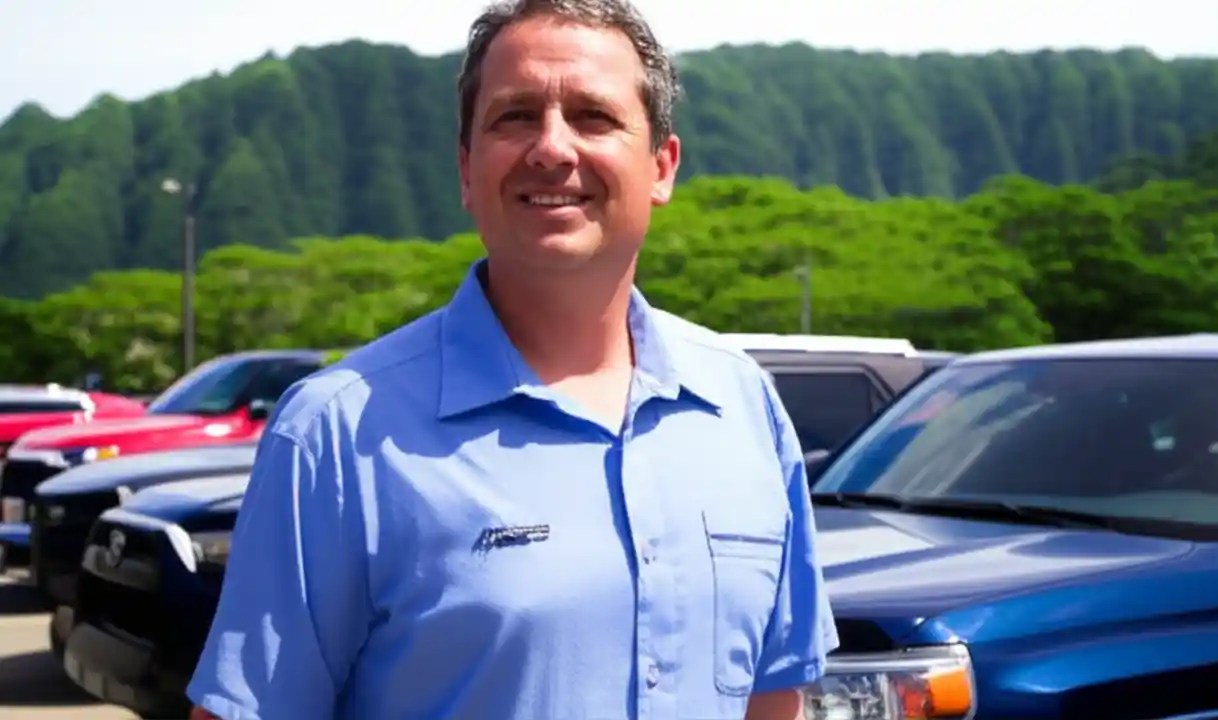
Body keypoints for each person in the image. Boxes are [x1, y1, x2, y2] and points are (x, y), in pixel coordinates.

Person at [186, 0, 838, 718]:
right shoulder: (336, 435)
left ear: (662, 166)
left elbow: (772, 693)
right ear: (467, 169)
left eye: (593, 116)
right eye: (515, 116)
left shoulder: (743, 405)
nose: (552, 148)